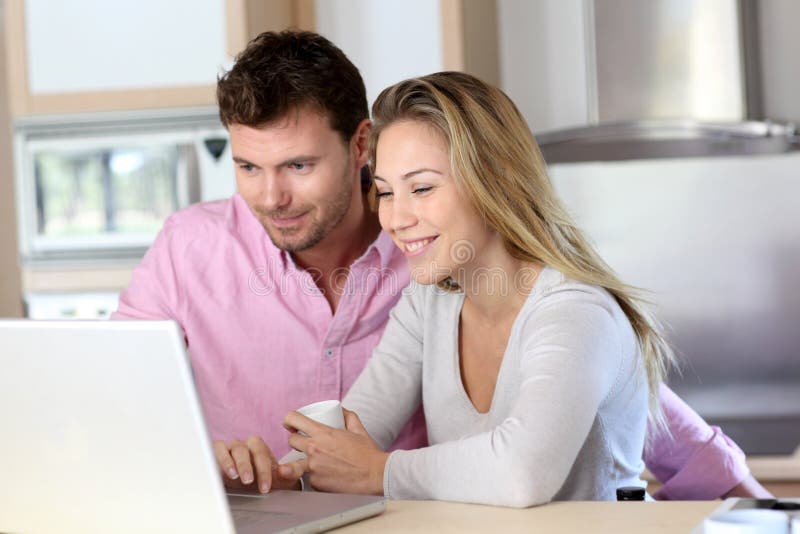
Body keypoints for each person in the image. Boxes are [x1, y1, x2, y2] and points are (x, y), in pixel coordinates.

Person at [112, 30, 769, 500]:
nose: (398, 217)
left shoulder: (565, 307)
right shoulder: (430, 296)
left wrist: (761, 513)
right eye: (390, 192)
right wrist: (267, 470)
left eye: (421, 188)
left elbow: (546, 454)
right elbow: (352, 426)